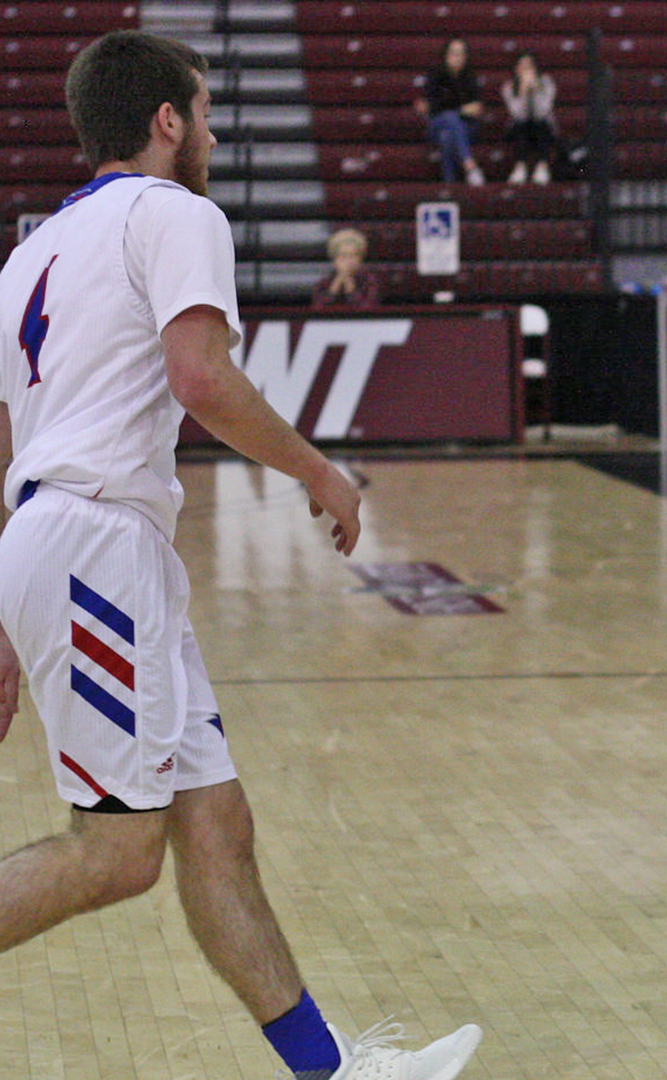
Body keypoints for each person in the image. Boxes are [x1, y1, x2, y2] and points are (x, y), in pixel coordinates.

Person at [0, 31, 481, 1080]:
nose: (213, 133)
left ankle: (332, 1071)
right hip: (97, 544)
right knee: (119, 857)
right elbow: (201, 376)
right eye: (207, 114)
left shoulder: (32, 251)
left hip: (73, 539)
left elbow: (12, 442)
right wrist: (318, 471)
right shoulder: (177, 212)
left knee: (216, 824)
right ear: (168, 121)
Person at [415, 37, 485, 186]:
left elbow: (477, 107)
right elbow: (429, 106)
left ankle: (449, 186)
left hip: (466, 128)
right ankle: (469, 164)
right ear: (446, 55)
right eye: (453, 53)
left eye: (461, 53)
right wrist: (460, 110)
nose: (457, 57)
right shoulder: (435, 75)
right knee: (449, 118)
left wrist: (453, 109)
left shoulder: (470, 78)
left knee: (447, 137)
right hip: (437, 124)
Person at [500, 52, 558, 185]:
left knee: (540, 125)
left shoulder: (546, 83)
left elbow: (543, 112)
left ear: (535, 68)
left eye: (529, 67)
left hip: (542, 126)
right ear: (516, 69)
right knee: (522, 126)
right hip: (519, 127)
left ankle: (542, 166)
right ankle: (520, 166)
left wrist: (536, 90)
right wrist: (522, 92)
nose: (526, 71)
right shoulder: (509, 87)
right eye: (522, 67)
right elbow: (517, 114)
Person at [312, 227, 381, 308]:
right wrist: (336, 284)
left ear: (360, 259)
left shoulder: (370, 282)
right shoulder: (323, 284)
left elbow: (367, 309)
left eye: (353, 256)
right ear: (334, 260)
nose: (348, 261)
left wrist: (349, 283)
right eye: (343, 256)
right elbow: (318, 309)